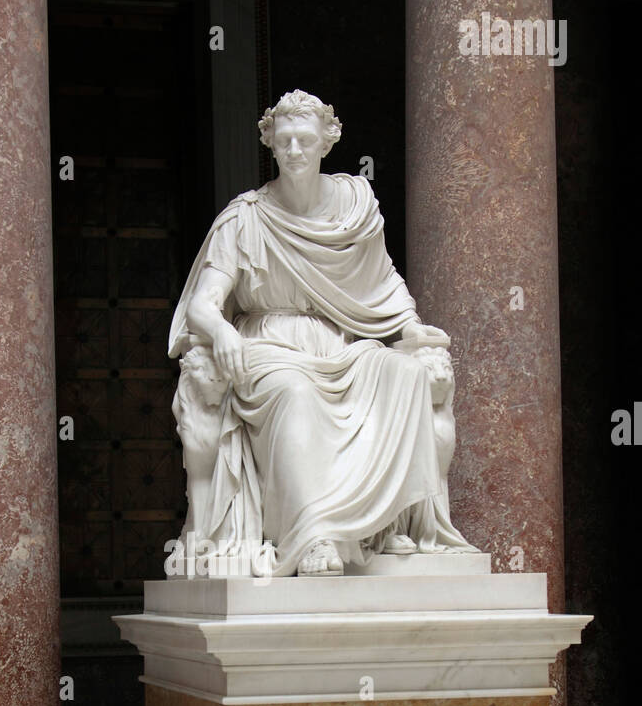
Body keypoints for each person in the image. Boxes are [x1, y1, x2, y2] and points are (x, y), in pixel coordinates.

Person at [167, 89, 478, 577]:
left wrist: (412, 328)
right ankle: (311, 535)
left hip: (341, 342)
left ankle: (389, 530)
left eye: (304, 140)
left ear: (326, 142)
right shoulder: (245, 217)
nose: (294, 151)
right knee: (296, 394)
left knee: (402, 374)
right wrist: (223, 332)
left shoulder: (355, 205)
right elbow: (204, 304)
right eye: (285, 140)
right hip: (268, 346)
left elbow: (383, 280)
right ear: (270, 143)